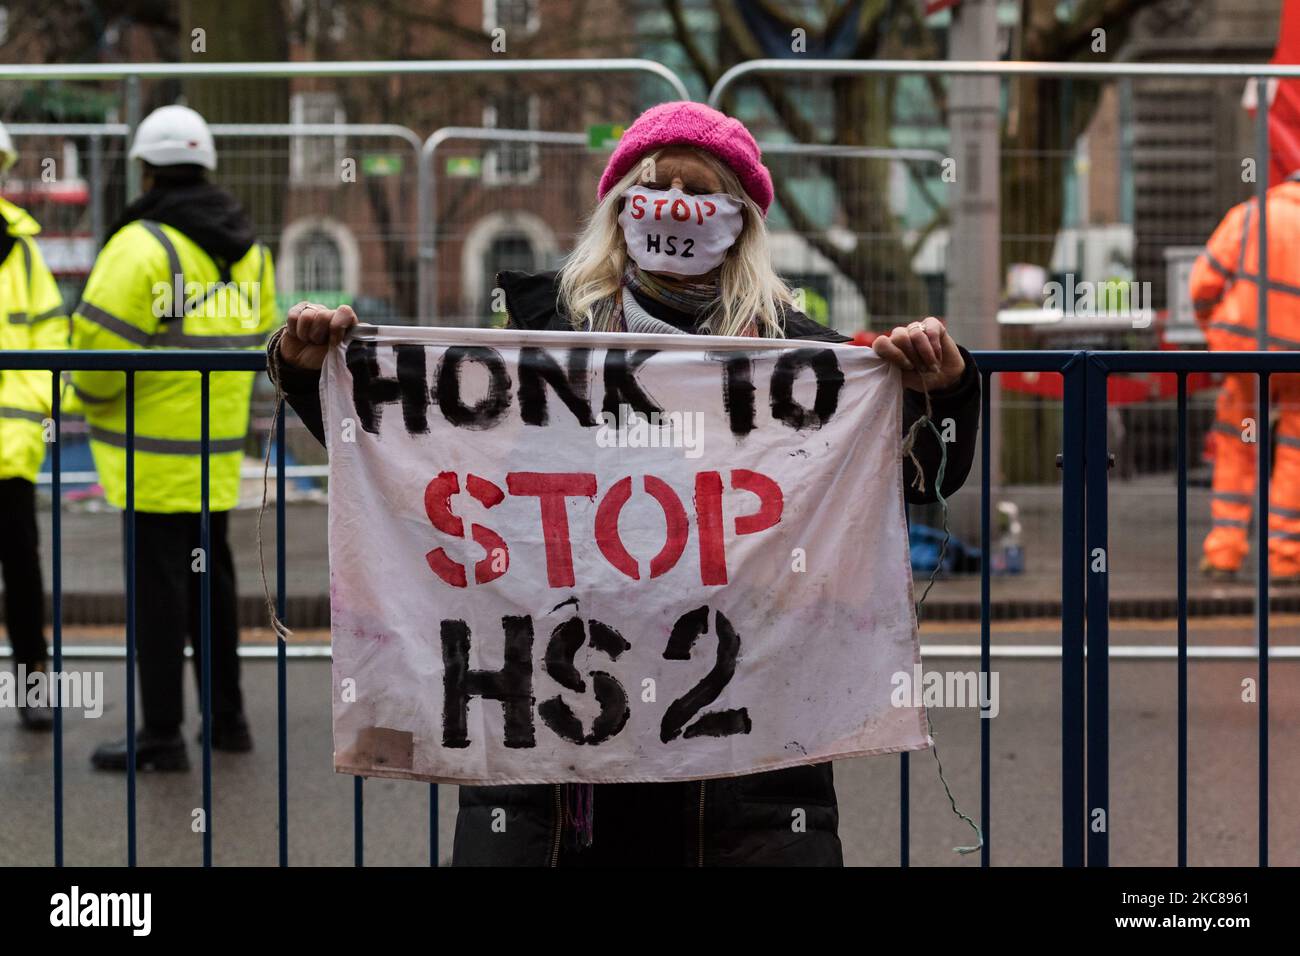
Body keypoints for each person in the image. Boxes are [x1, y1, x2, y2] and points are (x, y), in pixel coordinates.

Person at [268, 101, 981, 865]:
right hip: (556, 738)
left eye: (697, 185)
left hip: (736, 755)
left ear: (739, 217)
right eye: (655, 181)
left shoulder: (802, 360)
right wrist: (317, 374)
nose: (673, 199)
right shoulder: (534, 340)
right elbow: (420, 455)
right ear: (618, 207)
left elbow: (912, 481)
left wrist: (941, 394)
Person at [67, 105, 280, 771]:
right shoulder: (248, 251)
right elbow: (265, 344)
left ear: (146, 169)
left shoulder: (140, 247)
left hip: (152, 466)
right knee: (212, 591)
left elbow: (95, 363)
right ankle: (229, 723)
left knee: (159, 603)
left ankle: (161, 737)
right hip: (216, 461)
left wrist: (88, 400)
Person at [1191, 168, 1300, 582]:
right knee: (1295, 452)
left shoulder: (1252, 215)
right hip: (1297, 360)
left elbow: (1203, 283)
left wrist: (1214, 328)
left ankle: (1224, 553)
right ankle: (1287, 558)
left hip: (1245, 356)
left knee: (1238, 446)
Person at [0, 121, 69, 731]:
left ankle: (33, 687)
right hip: (15, 439)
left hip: (10, 446)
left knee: (21, 574)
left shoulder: (21, 251)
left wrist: (39, 409)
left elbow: (50, 336)